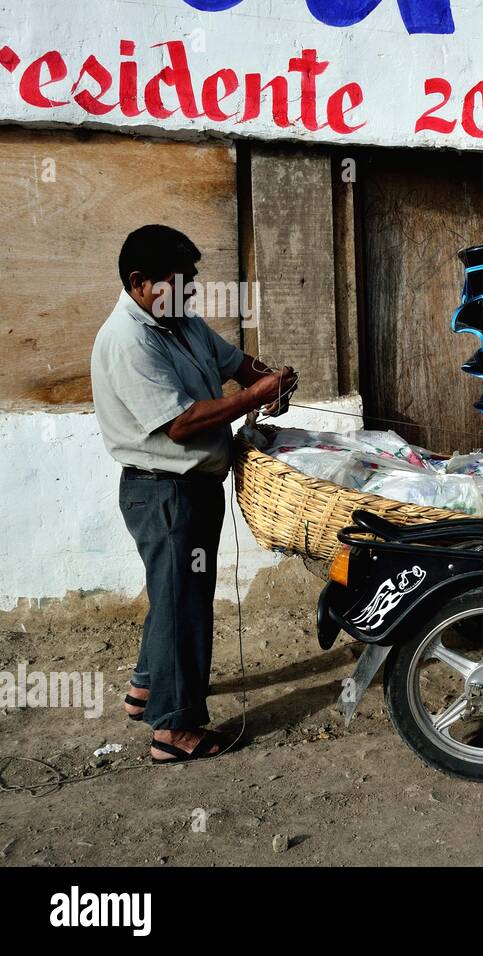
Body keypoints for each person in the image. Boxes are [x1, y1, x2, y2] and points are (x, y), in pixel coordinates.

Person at [90, 224, 298, 763]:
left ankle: (145, 690)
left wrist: (269, 379)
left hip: (190, 489)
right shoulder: (127, 340)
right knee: (185, 606)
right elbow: (181, 423)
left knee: (173, 594)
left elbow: (233, 364)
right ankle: (174, 731)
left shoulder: (180, 323)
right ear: (140, 283)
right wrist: (254, 395)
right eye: (178, 285)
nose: (187, 296)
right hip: (164, 492)